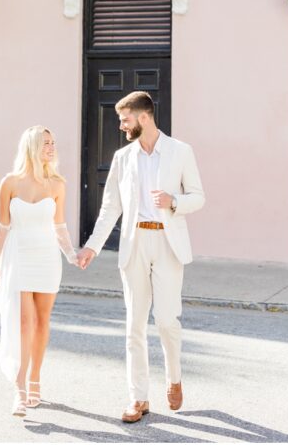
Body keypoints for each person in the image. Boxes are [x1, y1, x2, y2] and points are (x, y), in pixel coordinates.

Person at [77, 91, 205, 423]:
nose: (121, 126)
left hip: (167, 243)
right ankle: (138, 398)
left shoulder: (180, 151)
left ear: (143, 117)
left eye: (125, 119)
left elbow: (198, 197)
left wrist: (173, 201)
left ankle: (174, 378)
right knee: (134, 324)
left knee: (166, 321)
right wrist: (92, 246)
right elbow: (110, 208)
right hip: (134, 244)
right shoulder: (123, 157)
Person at [0, 126, 78, 416]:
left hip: (47, 258)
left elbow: (59, 226)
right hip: (19, 256)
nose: (51, 148)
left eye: (53, 143)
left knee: (41, 321)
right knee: (24, 322)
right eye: (45, 143)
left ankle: (35, 377)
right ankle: (20, 388)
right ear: (31, 147)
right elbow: (2, 226)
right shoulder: (9, 183)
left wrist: (72, 255)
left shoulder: (57, 184)